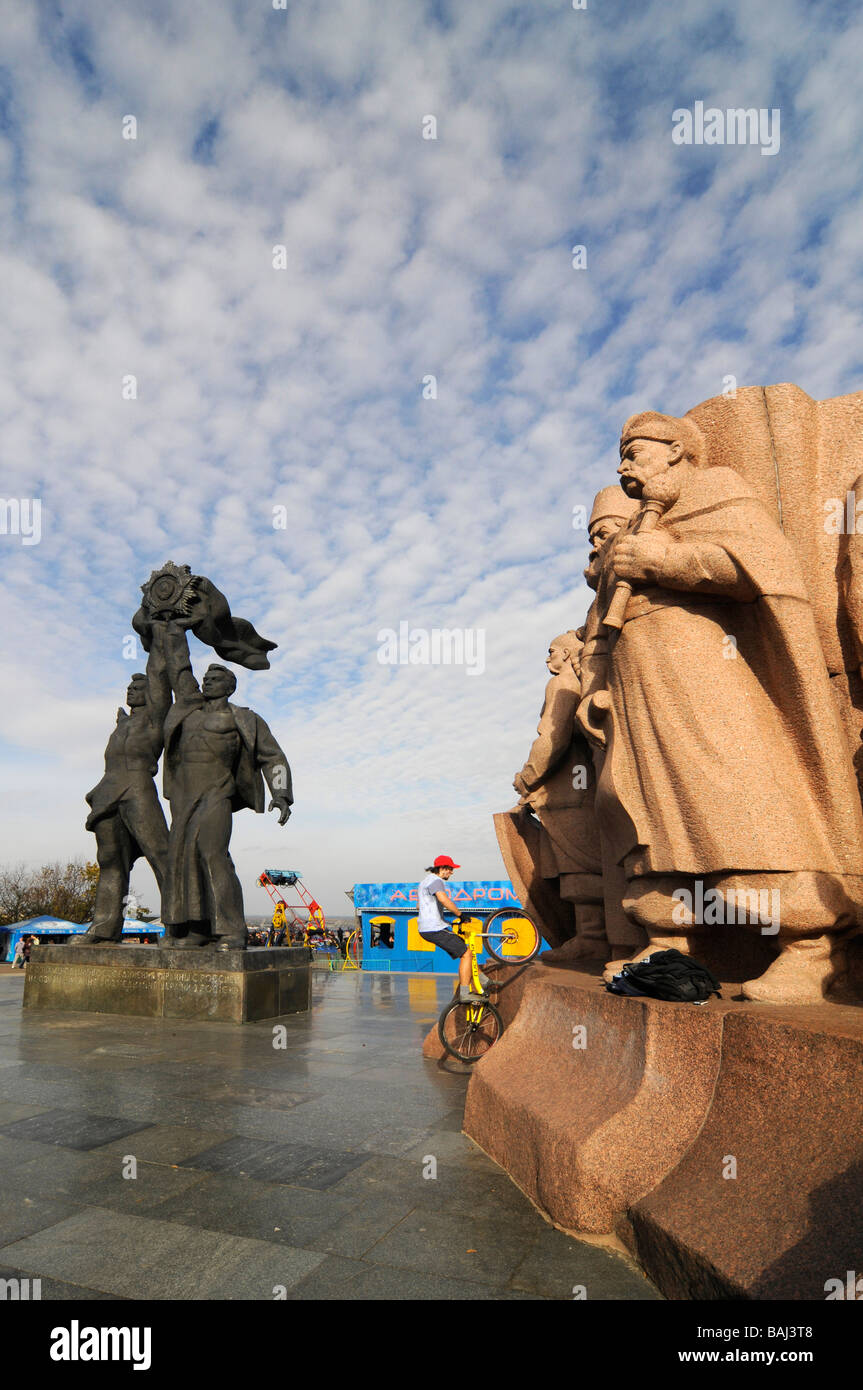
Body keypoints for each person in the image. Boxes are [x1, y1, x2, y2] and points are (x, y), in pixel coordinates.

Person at [416, 855, 490, 1003]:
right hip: (434, 928)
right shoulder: (436, 881)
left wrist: (446, 921)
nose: (452, 872)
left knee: (464, 948)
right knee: (466, 954)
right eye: (450, 869)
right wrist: (460, 915)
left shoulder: (424, 882)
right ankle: (465, 993)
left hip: (428, 928)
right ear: (442, 868)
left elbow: (419, 906)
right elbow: (443, 899)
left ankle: (483, 979)